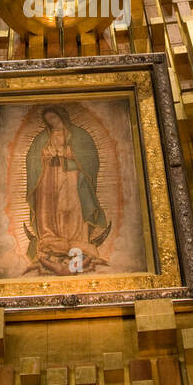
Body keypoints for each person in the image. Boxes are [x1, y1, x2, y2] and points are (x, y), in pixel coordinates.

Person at [24, 105, 110, 274]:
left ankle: (76, 239)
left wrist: (69, 153)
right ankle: (51, 239)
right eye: (48, 120)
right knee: (50, 208)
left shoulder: (78, 135)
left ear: (61, 116)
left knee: (72, 206)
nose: (52, 122)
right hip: (48, 177)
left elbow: (90, 156)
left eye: (54, 118)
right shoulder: (43, 137)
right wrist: (44, 155)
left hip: (72, 176)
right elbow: (32, 158)